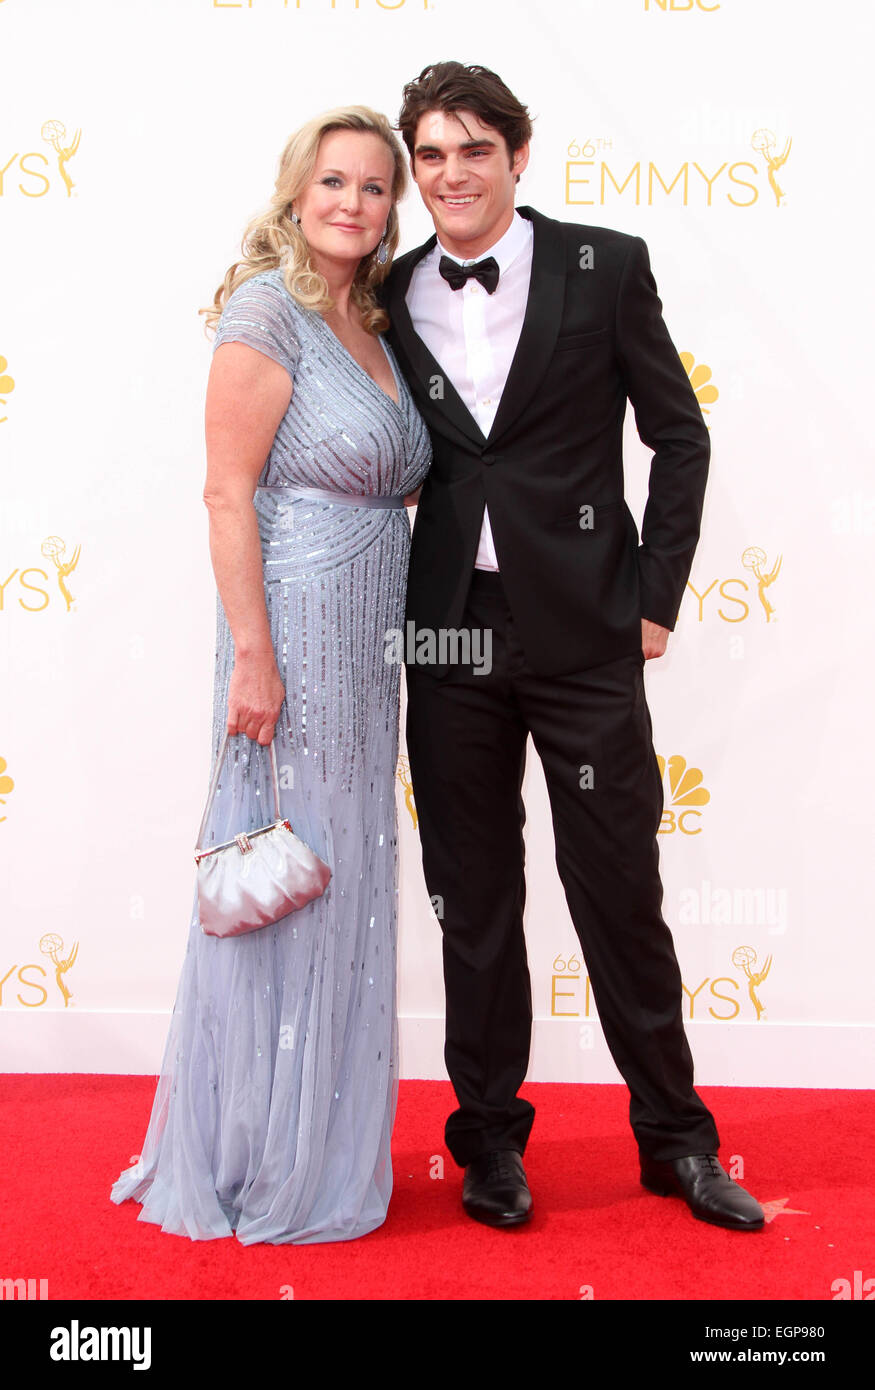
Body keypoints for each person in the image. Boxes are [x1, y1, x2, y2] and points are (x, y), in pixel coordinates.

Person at [384, 62, 764, 1232]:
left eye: (473, 150)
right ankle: (489, 1145)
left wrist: (652, 594)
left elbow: (677, 435)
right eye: (431, 155)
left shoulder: (604, 266)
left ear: (517, 156)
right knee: (473, 899)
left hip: (585, 633)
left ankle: (677, 1142)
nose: (451, 174)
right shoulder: (384, 292)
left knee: (617, 887)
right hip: (450, 633)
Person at [110, 107, 431, 1244]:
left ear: (392, 210)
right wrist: (252, 653)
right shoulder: (266, 311)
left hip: (366, 646)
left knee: (341, 867)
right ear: (297, 191)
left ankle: (323, 1142)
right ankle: (251, 1152)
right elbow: (225, 492)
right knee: (275, 876)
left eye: (374, 188)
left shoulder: (375, 321)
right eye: (333, 181)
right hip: (287, 639)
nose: (353, 202)